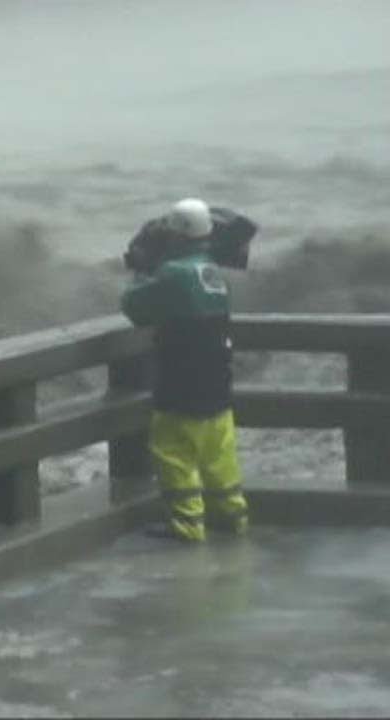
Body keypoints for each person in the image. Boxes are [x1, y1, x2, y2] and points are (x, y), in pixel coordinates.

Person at [120, 197, 250, 542]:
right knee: (218, 455)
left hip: (182, 384)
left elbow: (133, 307)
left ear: (176, 236)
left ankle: (188, 525)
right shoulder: (211, 270)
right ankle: (232, 517)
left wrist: (141, 270)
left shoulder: (175, 273)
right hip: (216, 382)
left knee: (172, 452)